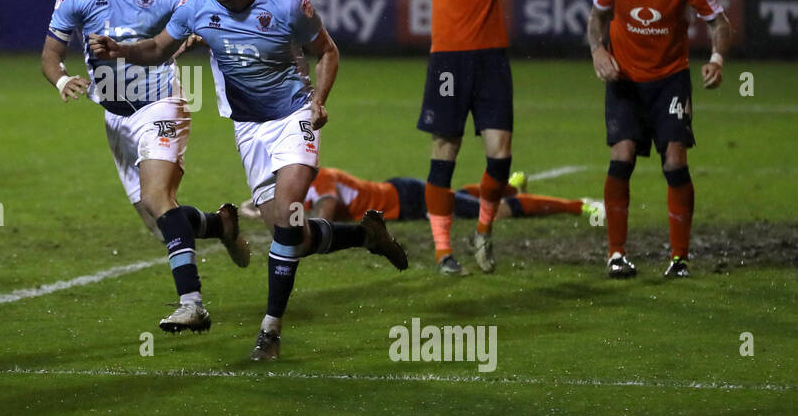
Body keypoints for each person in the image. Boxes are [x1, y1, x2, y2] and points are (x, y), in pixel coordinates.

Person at [90, 0, 407, 362]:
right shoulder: (196, 5)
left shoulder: (287, 4)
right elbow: (159, 49)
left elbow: (328, 51)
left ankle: (270, 331)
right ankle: (366, 235)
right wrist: (119, 49)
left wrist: (318, 100)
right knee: (288, 232)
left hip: (294, 117)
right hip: (249, 130)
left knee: (292, 209)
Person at [43, 0, 250, 335]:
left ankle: (192, 304)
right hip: (114, 117)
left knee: (159, 198)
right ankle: (220, 223)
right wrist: (62, 79)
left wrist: (196, 34)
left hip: (161, 104)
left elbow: (210, 15)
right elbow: (50, 54)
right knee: (161, 225)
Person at [394, 0, 536, 276]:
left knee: (501, 154)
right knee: (445, 153)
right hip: (448, 62)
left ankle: (483, 231)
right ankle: (443, 251)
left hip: (492, 60)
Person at [588, 0, 730, 279]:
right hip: (624, 79)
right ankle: (616, 255)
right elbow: (596, 17)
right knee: (623, 156)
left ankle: (679, 259)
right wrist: (598, 50)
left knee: (675, 160)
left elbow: (718, 22)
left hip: (670, 79)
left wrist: (716, 60)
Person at [241, 168, 601, 225]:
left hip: (407, 198)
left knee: (493, 214)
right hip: (400, 193)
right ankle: (509, 184)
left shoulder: (321, 177)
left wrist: (284, 218)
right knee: (460, 198)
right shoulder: (301, 186)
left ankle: (579, 205)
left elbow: (327, 211)